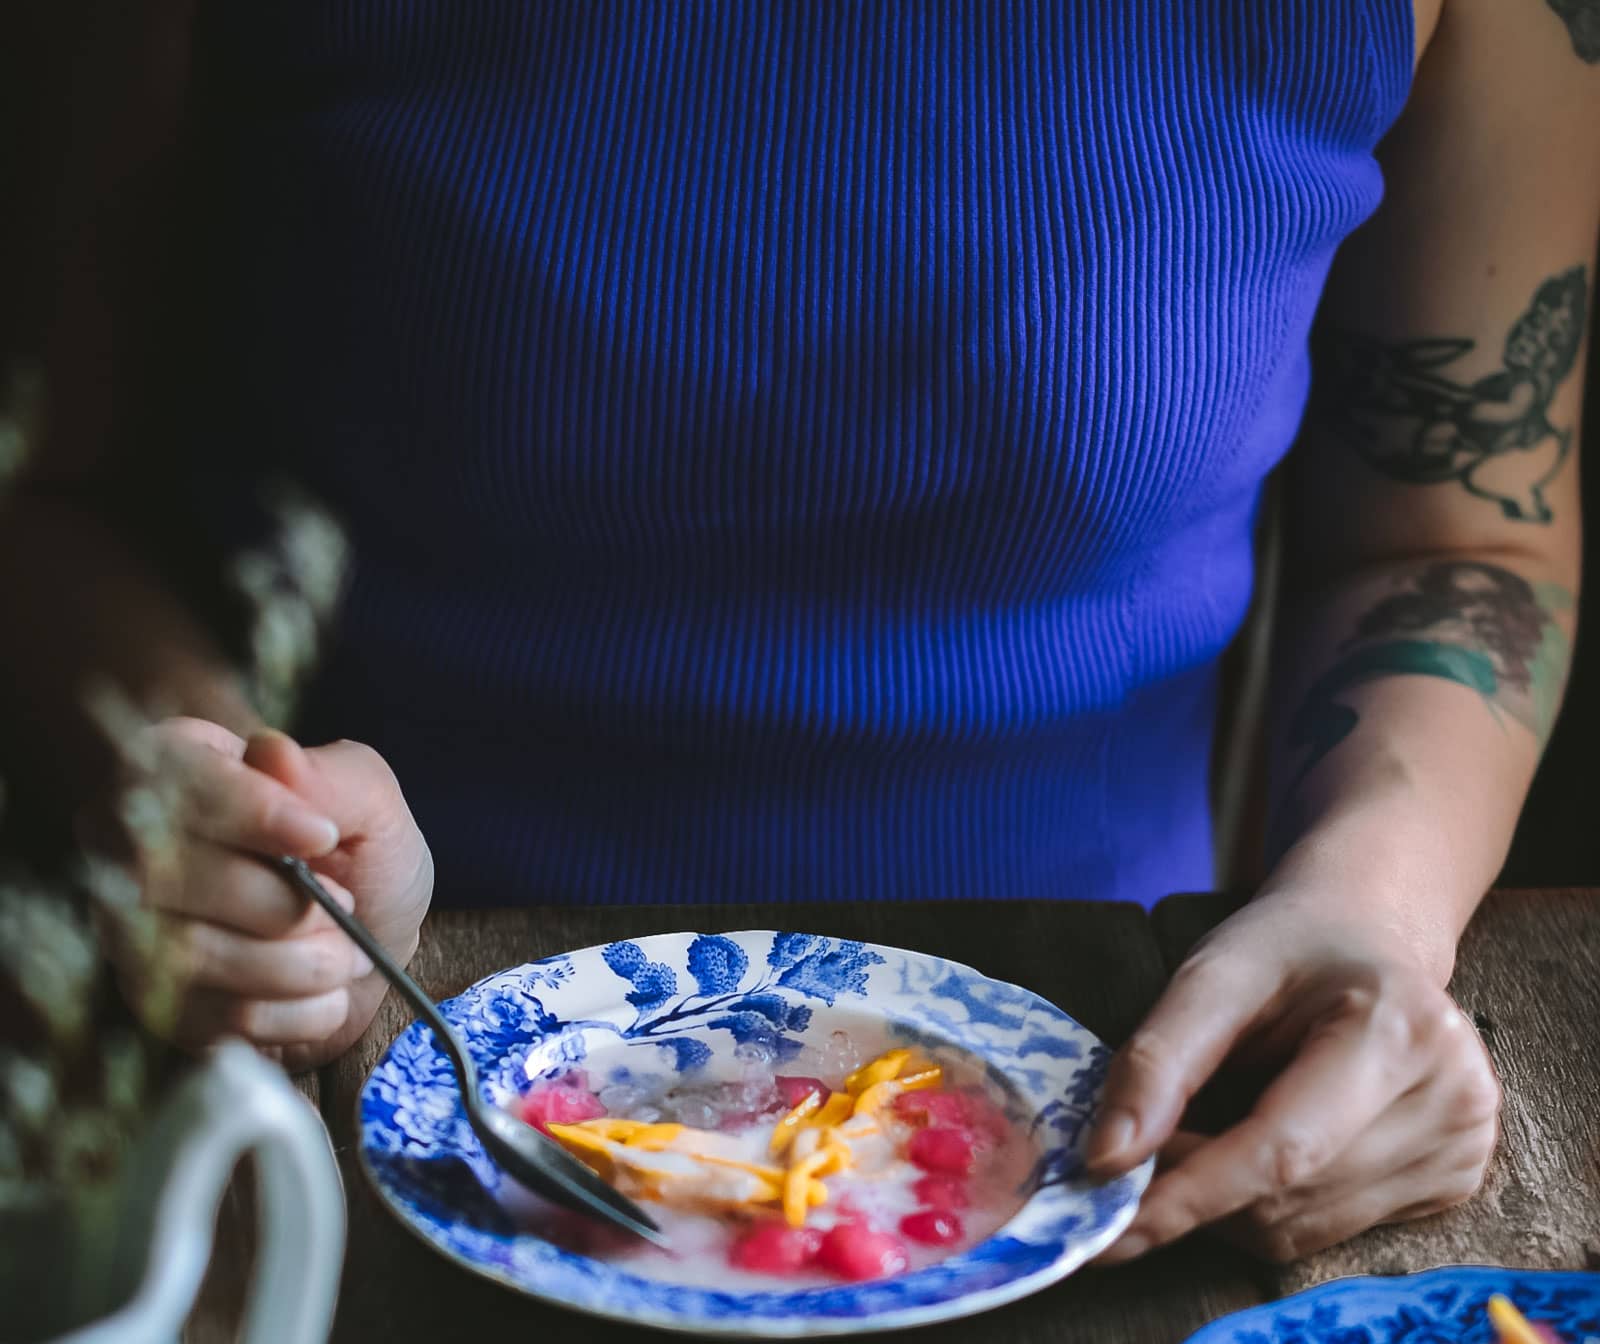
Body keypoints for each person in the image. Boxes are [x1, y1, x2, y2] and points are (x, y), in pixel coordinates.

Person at [2, 0, 1595, 1265]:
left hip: (1114, 1090)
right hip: (335, 1060)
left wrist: (1374, 908)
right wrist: (232, 803)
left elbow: (1459, 535)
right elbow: (47, 486)